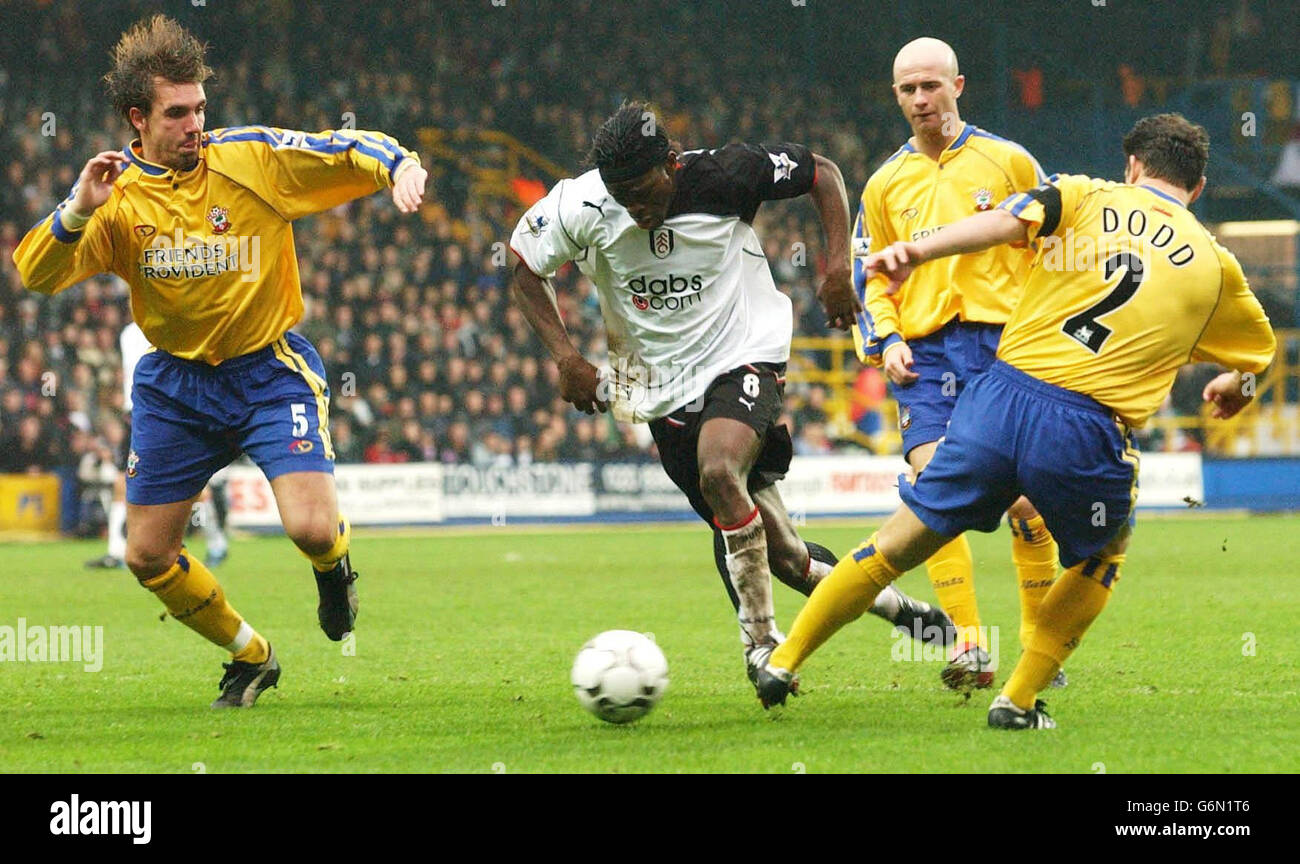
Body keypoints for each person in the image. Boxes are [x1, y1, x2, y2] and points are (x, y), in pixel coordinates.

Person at [755, 114, 1277, 729]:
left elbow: (1004, 221)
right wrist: (1233, 386)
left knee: (898, 542)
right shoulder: (1217, 269)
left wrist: (916, 249)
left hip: (998, 399)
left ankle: (783, 662)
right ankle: (1019, 700)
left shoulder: (1084, 192)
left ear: (1132, 165)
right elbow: (1260, 356)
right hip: (1087, 426)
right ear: (1201, 185)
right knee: (1102, 554)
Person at [13, 15, 428, 708]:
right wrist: (78, 210)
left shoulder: (250, 158)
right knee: (146, 555)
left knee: (312, 528)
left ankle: (335, 569)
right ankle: (251, 655)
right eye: (178, 113)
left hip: (267, 373)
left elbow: (342, 146)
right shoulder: (114, 201)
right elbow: (34, 273)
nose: (195, 123)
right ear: (137, 119)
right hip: (176, 386)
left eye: (200, 107)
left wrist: (400, 165)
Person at [509, 101, 950, 694]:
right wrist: (566, 357)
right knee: (786, 557)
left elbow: (823, 173)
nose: (636, 209)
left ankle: (763, 648)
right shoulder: (580, 204)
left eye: (644, 192)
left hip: (746, 355)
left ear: (672, 165)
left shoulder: (727, 174)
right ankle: (910, 616)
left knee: (720, 473)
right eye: (623, 197)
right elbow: (522, 262)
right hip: (661, 392)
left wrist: (837, 267)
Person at [851, 37, 1060, 689]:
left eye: (931, 86)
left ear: (958, 86)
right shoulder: (884, 184)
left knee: (1029, 504)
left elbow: (1056, 245)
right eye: (908, 89)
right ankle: (969, 644)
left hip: (1004, 348)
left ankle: (1036, 645)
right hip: (926, 355)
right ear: (896, 97)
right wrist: (887, 341)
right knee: (935, 493)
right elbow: (869, 277)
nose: (921, 99)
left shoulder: (1009, 161)